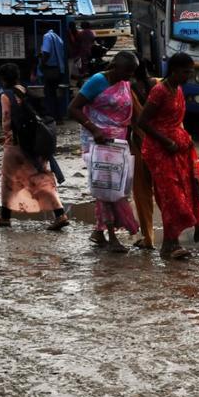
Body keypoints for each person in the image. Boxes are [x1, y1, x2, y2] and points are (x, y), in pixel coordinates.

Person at [136, 53, 199, 260]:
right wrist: (166, 141)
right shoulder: (159, 91)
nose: (189, 76)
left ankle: (170, 244)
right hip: (160, 151)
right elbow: (143, 122)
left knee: (186, 190)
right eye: (186, 72)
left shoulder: (178, 89)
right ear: (174, 70)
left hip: (178, 148)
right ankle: (170, 244)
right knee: (171, 197)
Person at [69, 50, 141, 250]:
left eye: (132, 72)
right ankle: (114, 235)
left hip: (119, 142)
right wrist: (94, 129)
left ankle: (99, 231)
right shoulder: (97, 81)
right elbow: (73, 108)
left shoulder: (125, 83)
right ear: (115, 67)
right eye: (127, 71)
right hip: (98, 142)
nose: (130, 76)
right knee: (106, 190)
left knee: (119, 187)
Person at [0, 64, 69, 231]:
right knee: (42, 178)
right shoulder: (25, 90)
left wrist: (8, 136)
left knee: (8, 180)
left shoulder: (6, 95)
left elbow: (7, 121)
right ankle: (60, 214)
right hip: (34, 141)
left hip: (17, 145)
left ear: (3, 79)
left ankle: (5, 217)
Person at [127, 57, 158, 250]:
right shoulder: (159, 86)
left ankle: (149, 237)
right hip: (163, 144)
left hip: (139, 145)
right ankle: (173, 237)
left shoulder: (126, 89)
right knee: (164, 192)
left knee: (142, 193)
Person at [39, 24, 67, 121]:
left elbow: (46, 52)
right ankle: (58, 117)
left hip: (51, 69)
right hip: (59, 70)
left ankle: (52, 117)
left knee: (49, 94)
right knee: (53, 94)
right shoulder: (58, 38)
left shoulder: (47, 36)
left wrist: (41, 65)